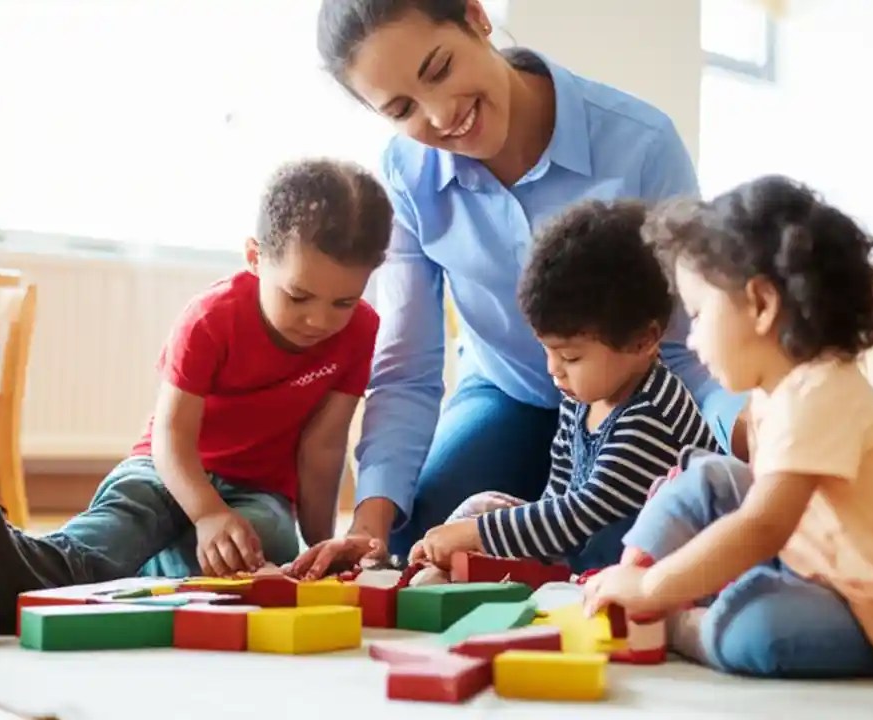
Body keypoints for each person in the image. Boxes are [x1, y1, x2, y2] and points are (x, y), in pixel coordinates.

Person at [289, 0, 748, 578]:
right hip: (507, 390)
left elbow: (684, 345)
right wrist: (367, 526)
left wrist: (743, 429)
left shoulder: (642, 143)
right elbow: (407, 366)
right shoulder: (407, 174)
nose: (441, 113)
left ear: (477, 17)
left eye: (439, 69)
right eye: (403, 108)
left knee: (655, 536)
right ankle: (535, 517)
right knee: (420, 533)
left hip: (630, 400)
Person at [0, 158, 393, 634]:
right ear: (254, 257)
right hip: (170, 468)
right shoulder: (211, 317)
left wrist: (322, 547)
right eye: (298, 296)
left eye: (344, 303)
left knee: (267, 537)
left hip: (259, 490)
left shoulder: (362, 332)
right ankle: (41, 567)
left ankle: (136, 578)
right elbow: (172, 435)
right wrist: (207, 511)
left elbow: (323, 447)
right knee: (132, 512)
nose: (320, 321)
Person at [583, 175, 873, 678]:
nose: (691, 341)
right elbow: (753, 507)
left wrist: (658, 595)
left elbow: (762, 525)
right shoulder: (775, 394)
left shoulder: (820, 395)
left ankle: (678, 623)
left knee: (760, 627)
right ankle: (629, 577)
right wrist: (646, 575)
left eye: (697, 315)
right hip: (812, 562)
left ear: (761, 305)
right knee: (707, 476)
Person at [407, 199, 719, 574]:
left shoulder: (650, 414)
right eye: (547, 351)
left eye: (570, 357)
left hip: (667, 558)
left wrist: (478, 535)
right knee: (482, 506)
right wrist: (485, 533)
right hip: (584, 534)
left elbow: (581, 513)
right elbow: (558, 493)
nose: (554, 370)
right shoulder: (581, 397)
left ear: (643, 341)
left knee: (606, 534)